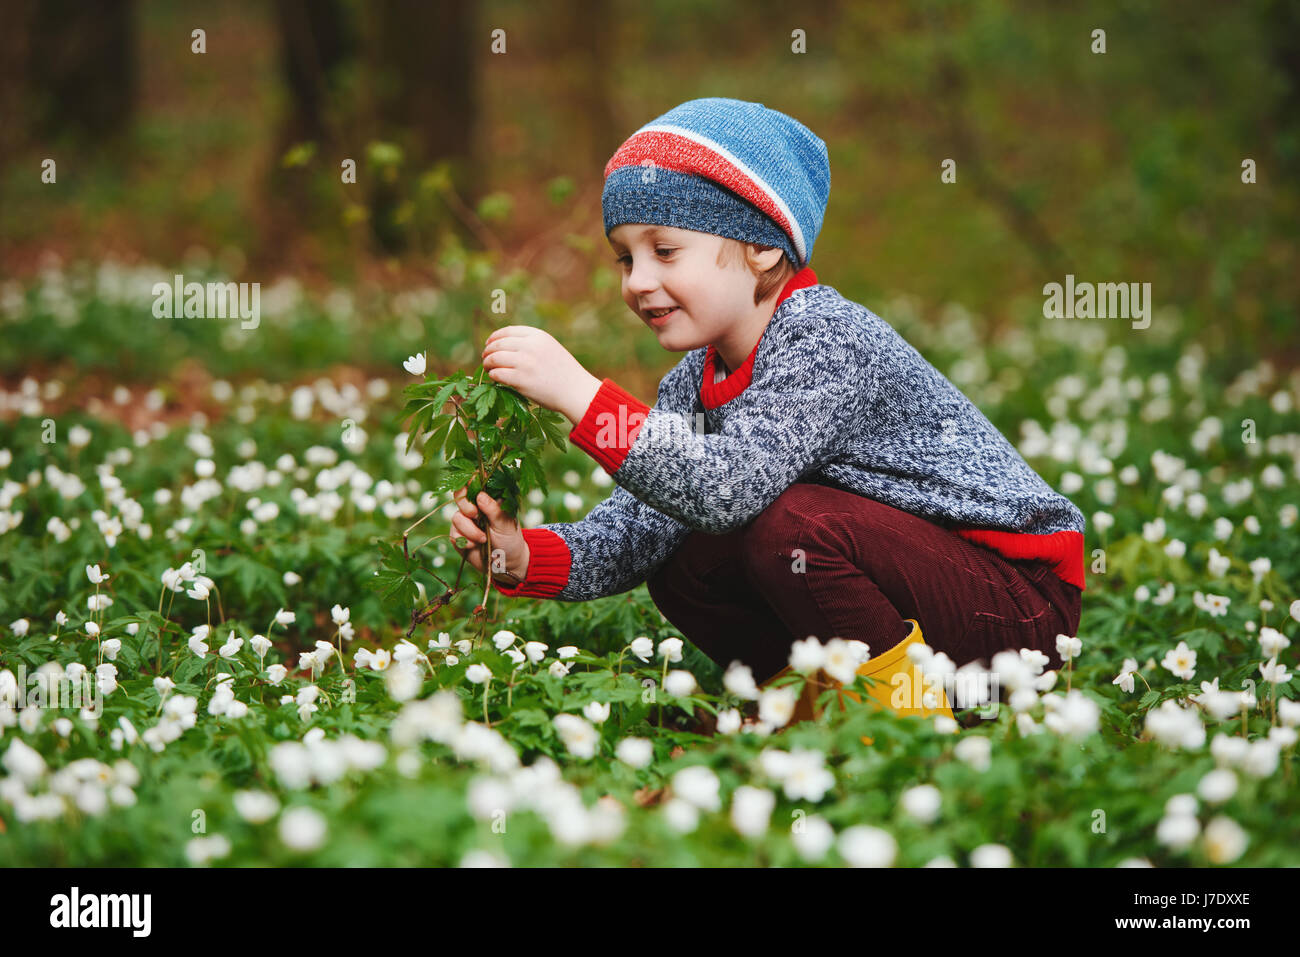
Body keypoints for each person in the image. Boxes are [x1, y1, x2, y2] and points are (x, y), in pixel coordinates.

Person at [448, 97, 1084, 728]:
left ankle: (906, 735)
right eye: (625, 256)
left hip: (1018, 612)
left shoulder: (826, 339)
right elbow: (635, 532)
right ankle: (814, 711)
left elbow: (724, 487)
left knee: (793, 528)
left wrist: (582, 397)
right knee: (682, 560)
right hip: (923, 609)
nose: (637, 281)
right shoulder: (694, 384)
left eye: (664, 251)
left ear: (762, 251)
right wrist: (523, 558)